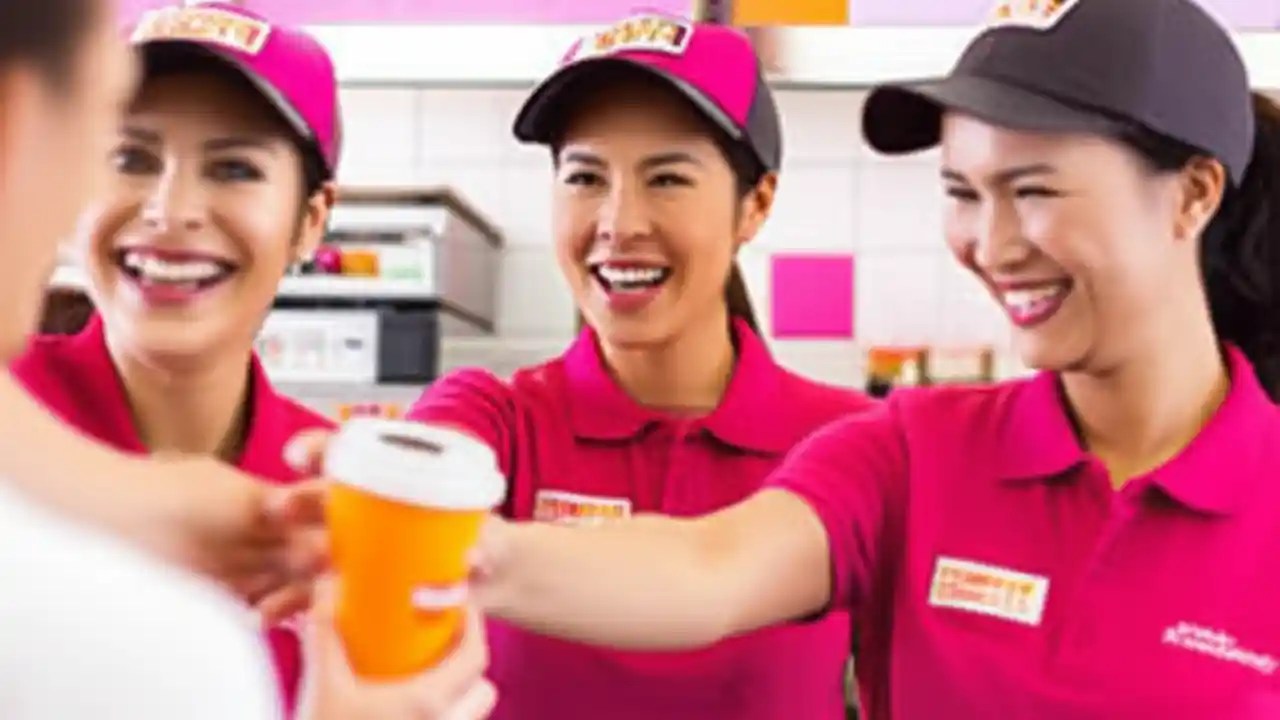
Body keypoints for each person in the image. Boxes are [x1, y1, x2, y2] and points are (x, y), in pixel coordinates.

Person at [438, 1, 1280, 718]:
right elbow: (709, 570)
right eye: (961, 193)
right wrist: (422, 545)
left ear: (1195, 194)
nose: (989, 244)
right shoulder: (911, 450)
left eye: (1033, 191)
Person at [0, 1, 494, 718]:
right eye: (130, 158)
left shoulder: (328, 507)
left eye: (233, 168)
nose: (171, 210)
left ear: (312, 220)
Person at [391, 14, 875, 720]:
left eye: (668, 179)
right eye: (585, 177)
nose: (619, 221)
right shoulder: (495, 418)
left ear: (756, 205)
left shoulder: (853, 441)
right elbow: (414, 506)